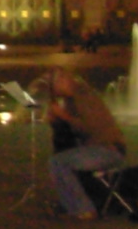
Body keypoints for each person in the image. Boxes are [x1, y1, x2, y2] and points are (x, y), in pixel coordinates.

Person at [45, 69, 127, 219]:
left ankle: (83, 208)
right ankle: (73, 207)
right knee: (58, 161)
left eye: (55, 84)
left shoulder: (84, 97)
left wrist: (64, 116)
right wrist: (56, 121)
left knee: (59, 163)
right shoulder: (72, 100)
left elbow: (90, 126)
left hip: (109, 149)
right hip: (98, 148)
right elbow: (70, 135)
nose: (54, 90)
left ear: (65, 82)